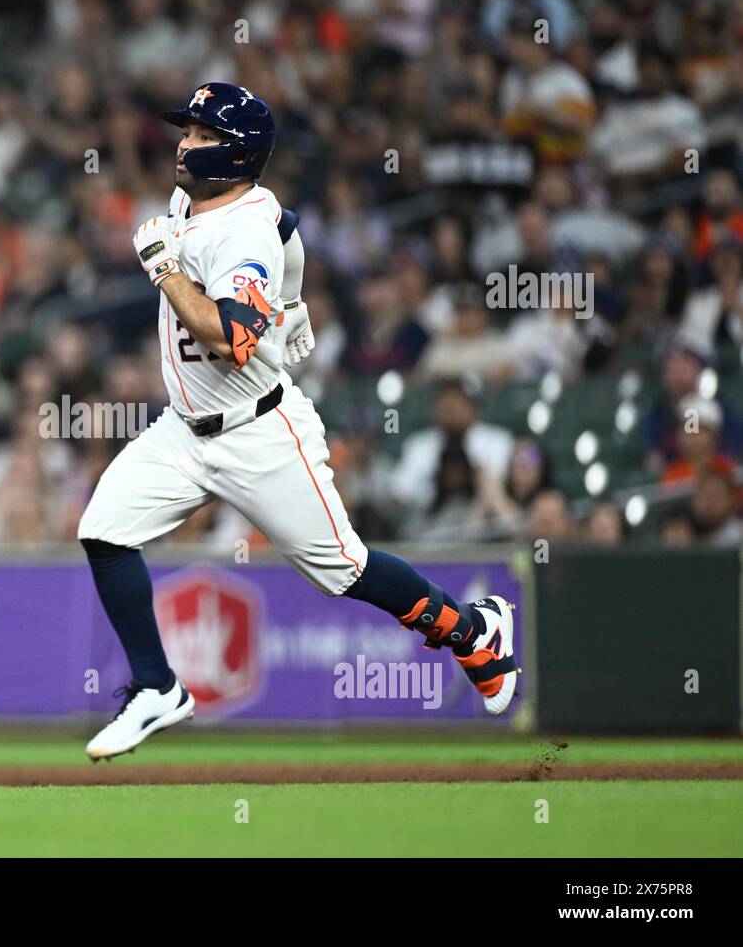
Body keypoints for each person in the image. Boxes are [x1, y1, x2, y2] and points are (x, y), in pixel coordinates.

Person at [77, 84, 519, 762]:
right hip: (184, 427)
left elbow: (230, 339)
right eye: (187, 131)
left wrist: (165, 270)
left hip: (258, 431)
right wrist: (291, 300)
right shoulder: (209, 202)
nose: (184, 143)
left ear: (237, 152)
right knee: (103, 529)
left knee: (344, 570)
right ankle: (157, 687)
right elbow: (290, 227)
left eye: (200, 135)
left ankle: (472, 633)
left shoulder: (241, 232)